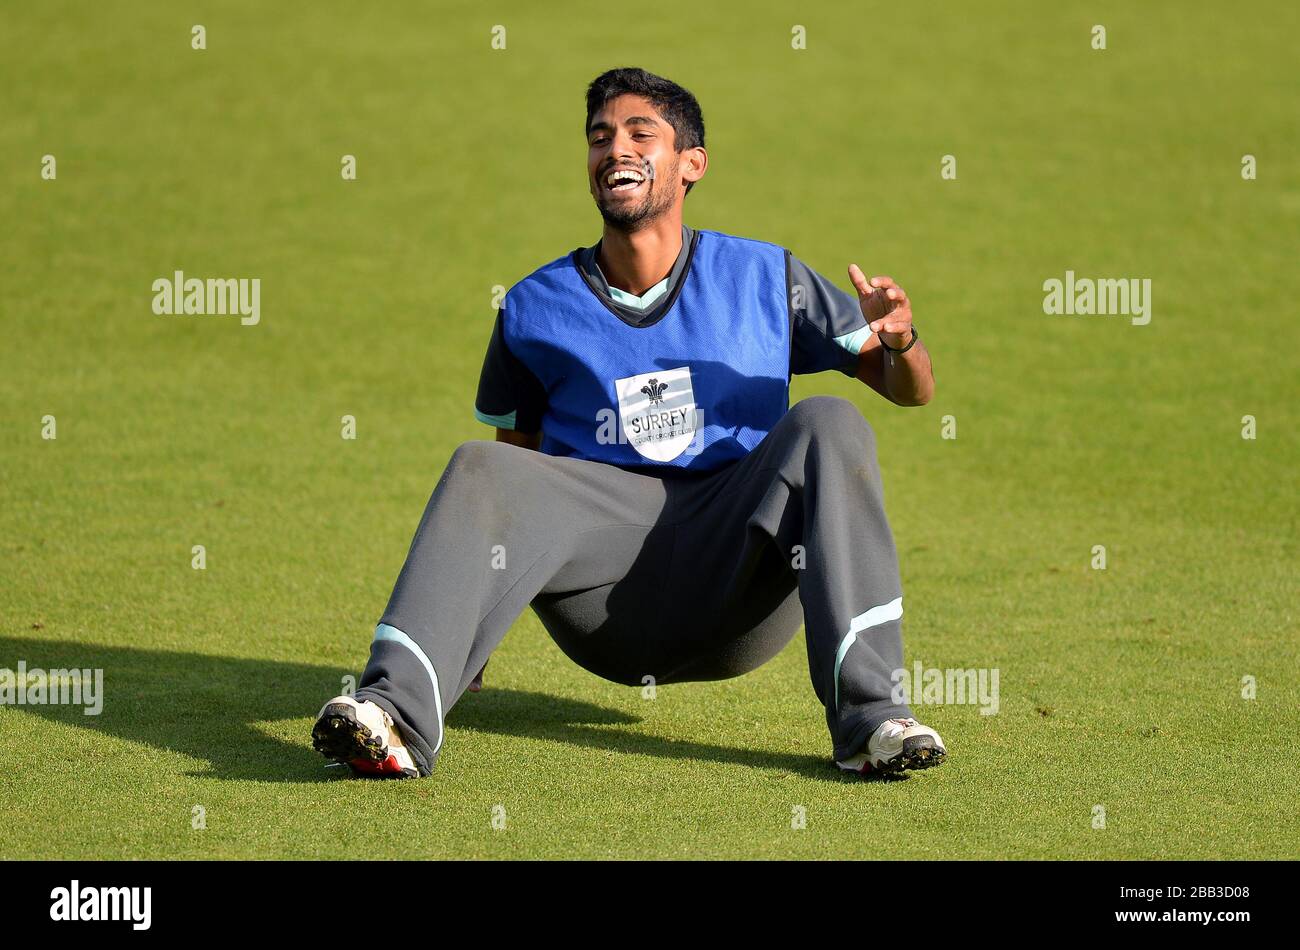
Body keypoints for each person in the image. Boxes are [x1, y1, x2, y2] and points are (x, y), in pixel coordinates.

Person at [311, 66, 947, 779]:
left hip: (737, 581)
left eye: (641, 133)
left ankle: (874, 721)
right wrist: (470, 641)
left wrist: (900, 341)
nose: (616, 148)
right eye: (599, 137)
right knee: (478, 463)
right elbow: (513, 465)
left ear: (691, 165)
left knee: (830, 420)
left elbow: (909, 391)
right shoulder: (532, 306)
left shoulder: (769, 278)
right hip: (604, 604)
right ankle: (392, 713)